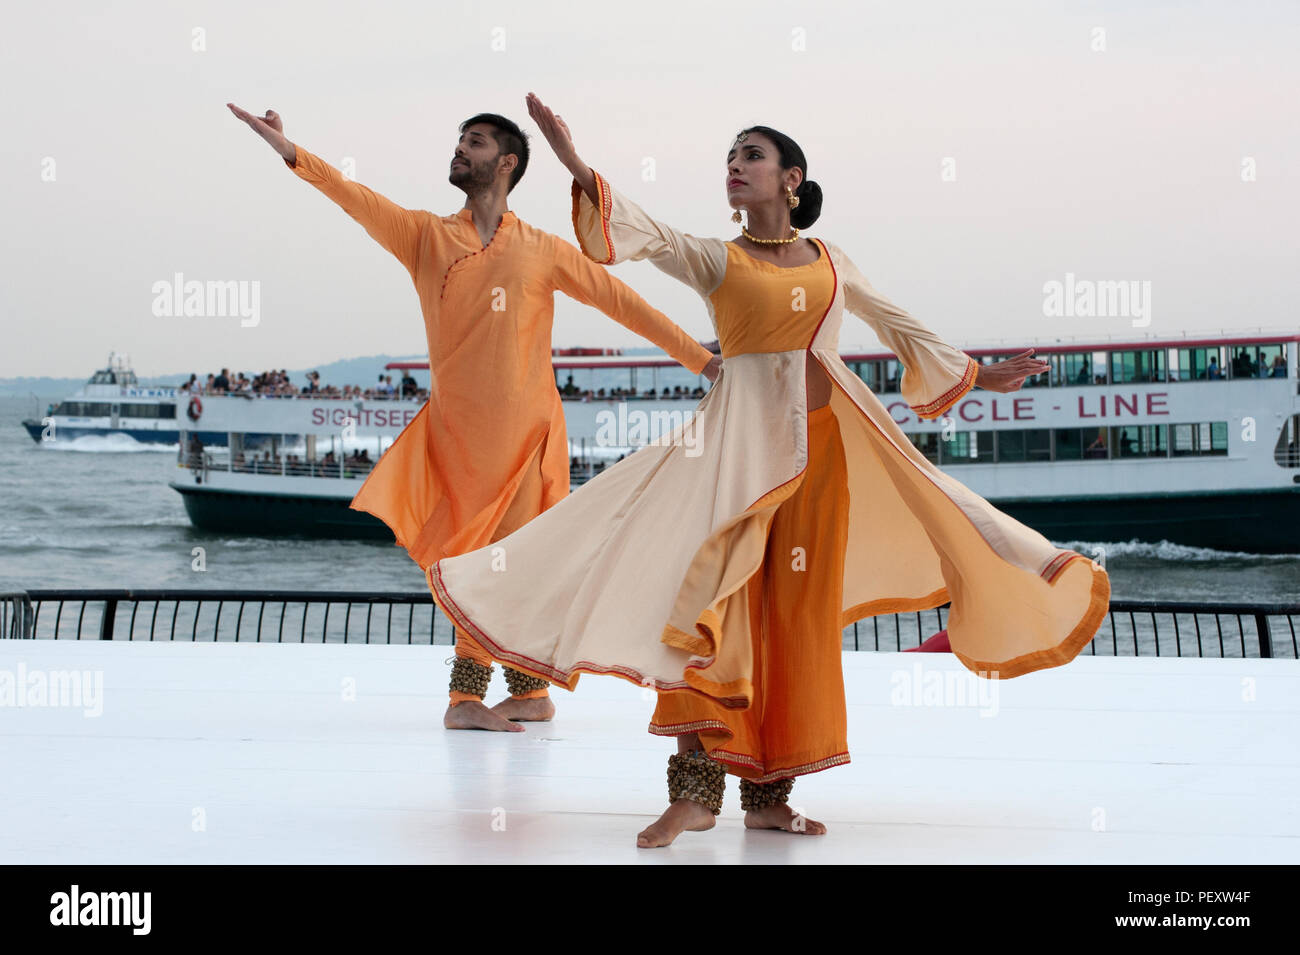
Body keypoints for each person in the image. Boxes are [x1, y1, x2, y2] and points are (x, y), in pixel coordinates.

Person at [428, 93, 1111, 847]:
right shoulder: (718, 258)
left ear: (792, 179)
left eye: (751, 155)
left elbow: (896, 323)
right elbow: (645, 234)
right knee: (709, 619)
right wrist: (572, 159)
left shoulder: (830, 259)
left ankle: (767, 797)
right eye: (730, 157)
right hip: (734, 465)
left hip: (821, 466)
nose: (735, 166)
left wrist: (978, 374)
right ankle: (693, 792)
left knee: (792, 628)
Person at [227, 101, 720, 732]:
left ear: (507, 163)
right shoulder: (426, 236)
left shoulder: (542, 250)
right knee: (467, 563)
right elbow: (348, 194)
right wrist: (287, 149)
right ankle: (493, 695)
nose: (461, 149)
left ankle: (504, 695)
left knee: (515, 566)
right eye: (460, 140)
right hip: (458, 441)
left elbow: (625, 305)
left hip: (531, 438)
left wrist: (701, 363)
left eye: (477, 142)